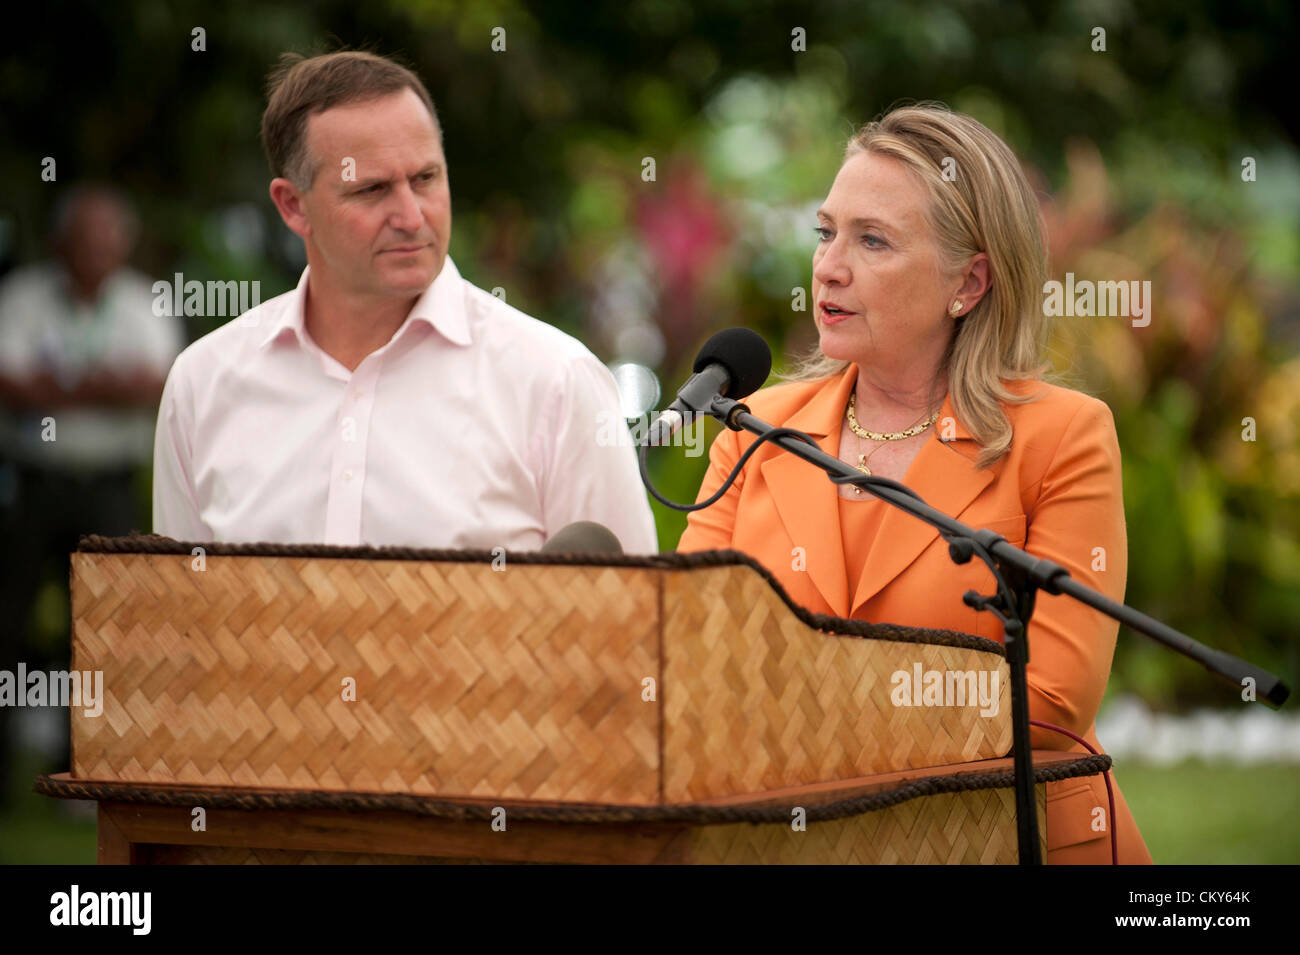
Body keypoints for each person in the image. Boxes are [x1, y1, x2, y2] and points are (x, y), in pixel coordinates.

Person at [677, 104, 1152, 864]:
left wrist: (812, 712)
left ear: (969, 281)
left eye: (873, 240)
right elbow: (693, 650)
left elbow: (1053, 702)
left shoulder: (1062, 435)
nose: (829, 266)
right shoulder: (756, 427)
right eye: (825, 231)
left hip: (1011, 844)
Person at [153, 51, 656, 552]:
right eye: (372, 190)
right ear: (293, 205)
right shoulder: (203, 384)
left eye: (425, 178)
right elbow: (173, 617)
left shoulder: (556, 381)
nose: (412, 216)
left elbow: (630, 614)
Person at [0, 183, 182, 800]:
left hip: (107, 490)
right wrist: (103, 383)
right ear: (61, 243)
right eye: (84, 241)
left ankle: (87, 777)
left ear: (122, 248)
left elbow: (158, 384)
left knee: (105, 632)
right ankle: (8, 772)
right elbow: (11, 386)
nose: (95, 254)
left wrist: (61, 384)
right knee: (10, 622)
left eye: (107, 243)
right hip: (33, 487)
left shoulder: (141, 302)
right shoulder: (22, 296)